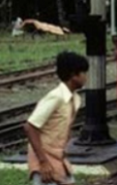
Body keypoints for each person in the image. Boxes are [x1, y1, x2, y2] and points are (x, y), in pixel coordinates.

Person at [24, 51, 88, 185]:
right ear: (73, 75)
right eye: (83, 73)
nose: (86, 77)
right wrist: (43, 162)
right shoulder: (56, 97)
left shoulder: (75, 99)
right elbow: (30, 126)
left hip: (58, 157)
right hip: (44, 158)